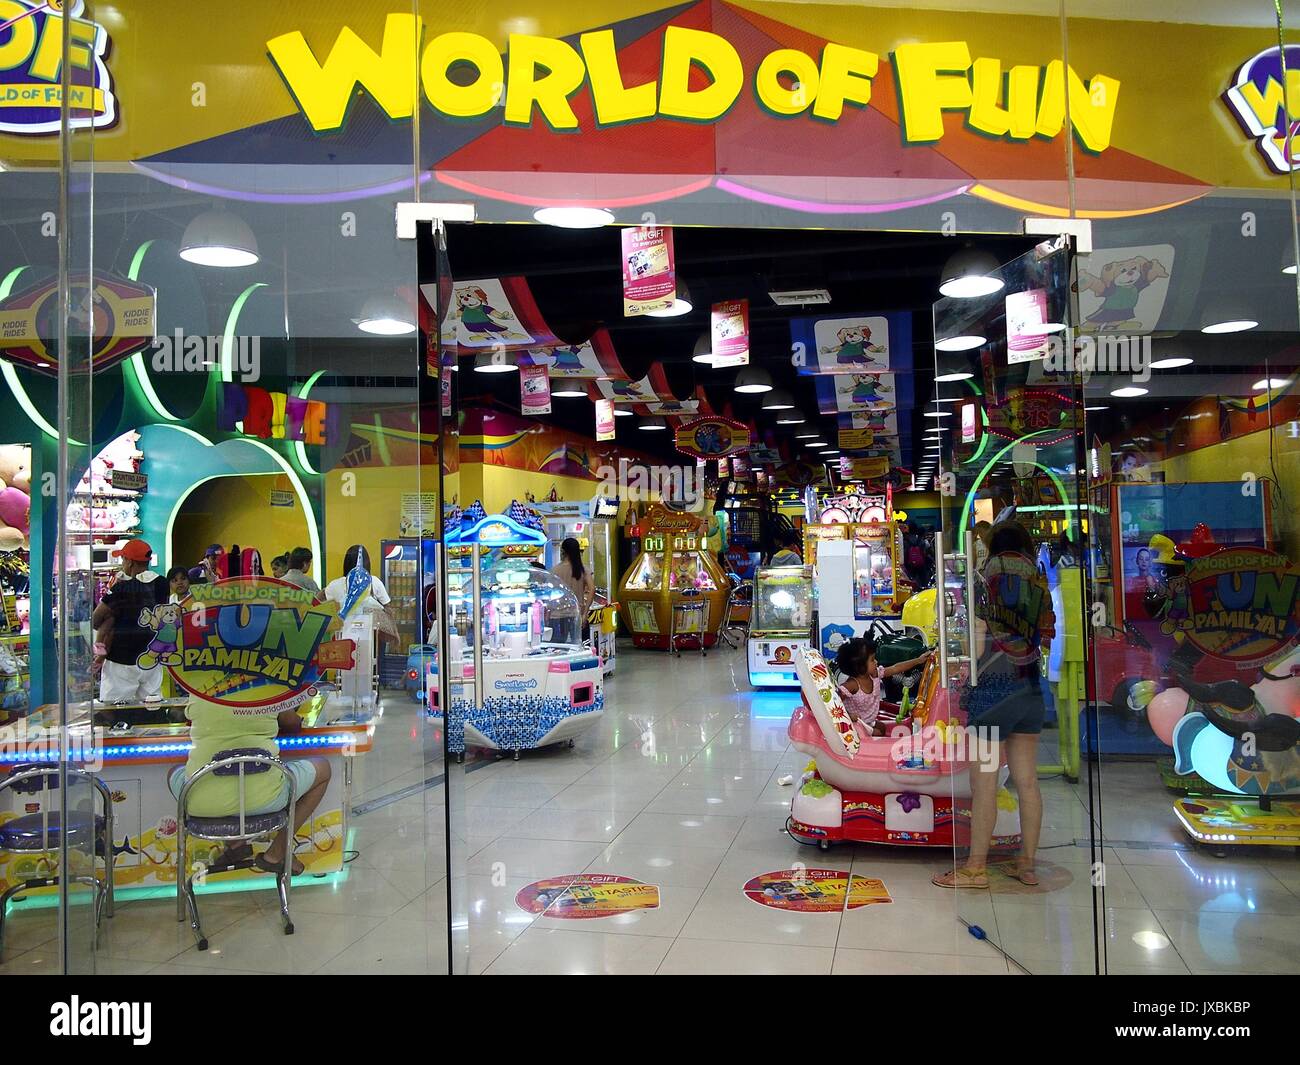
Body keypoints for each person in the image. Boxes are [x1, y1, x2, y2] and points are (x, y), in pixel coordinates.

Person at [933, 519, 1052, 890]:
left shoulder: (985, 581)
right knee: (1027, 781)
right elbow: (1046, 637)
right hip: (1030, 690)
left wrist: (960, 655)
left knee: (983, 782)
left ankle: (975, 868)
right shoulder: (1038, 581)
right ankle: (1027, 865)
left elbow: (978, 643)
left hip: (992, 696)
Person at [168, 695, 331, 876]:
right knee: (323, 769)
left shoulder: (198, 688)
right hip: (267, 798)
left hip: (200, 804)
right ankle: (277, 852)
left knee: (174, 772)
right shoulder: (270, 687)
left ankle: (236, 845)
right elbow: (292, 725)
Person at [91, 539, 168, 703]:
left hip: (121, 659)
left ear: (130, 562)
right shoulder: (162, 584)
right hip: (151, 657)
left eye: (123, 559)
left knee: (115, 709)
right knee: (151, 707)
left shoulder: (121, 588)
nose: (122, 563)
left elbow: (96, 618)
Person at [834, 635, 932, 738]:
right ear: (859, 666)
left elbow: (895, 668)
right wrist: (849, 715)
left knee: (881, 728)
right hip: (855, 725)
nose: (876, 661)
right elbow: (834, 700)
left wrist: (918, 660)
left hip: (868, 721)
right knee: (878, 732)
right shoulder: (852, 685)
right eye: (872, 660)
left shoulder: (875, 674)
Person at [550, 537, 594, 646]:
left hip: (557, 615)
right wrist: (585, 613)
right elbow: (592, 589)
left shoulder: (554, 571)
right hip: (577, 614)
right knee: (581, 647)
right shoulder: (583, 569)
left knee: (559, 649)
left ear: (563, 551)